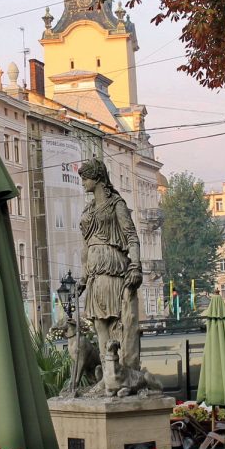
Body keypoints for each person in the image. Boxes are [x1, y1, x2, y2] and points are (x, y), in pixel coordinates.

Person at [77, 158, 152, 395]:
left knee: (117, 324)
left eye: (85, 178)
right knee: (99, 325)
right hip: (94, 274)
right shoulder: (88, 210)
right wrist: (82, 277)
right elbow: (85, 244)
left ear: (97, 178)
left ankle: (124, 375)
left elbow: (131, 236)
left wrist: (136, 266)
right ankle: (108, 376)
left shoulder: (116, 204)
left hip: (113, 269)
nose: (83, 183)